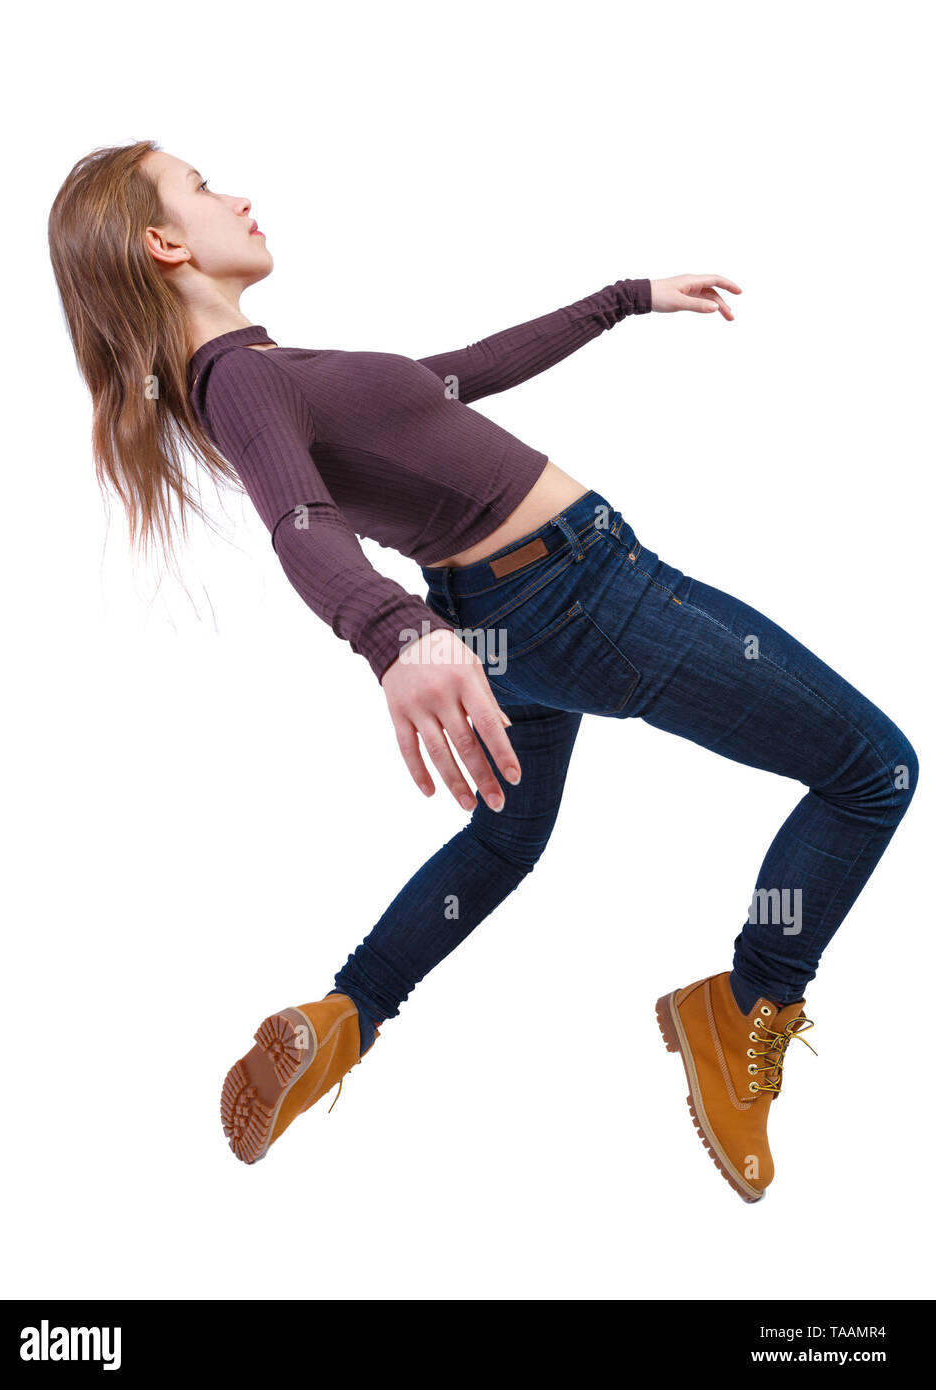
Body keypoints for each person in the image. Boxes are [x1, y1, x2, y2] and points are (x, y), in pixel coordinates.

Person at [48, 141, 918, 1202]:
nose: (237, 194)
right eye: (201, 186)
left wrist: (624, 299)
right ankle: (747, 1000)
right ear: (165, 241)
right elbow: (300, 527)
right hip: (589, 598)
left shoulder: (268, 368)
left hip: (507, 623)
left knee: (506, 839)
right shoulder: (239, 383)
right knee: (872, 769)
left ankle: (343, 1018)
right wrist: (391, 633)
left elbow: (455, 380)